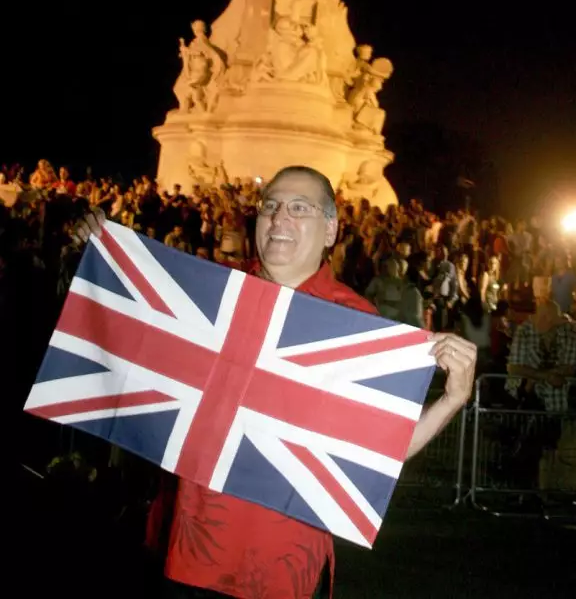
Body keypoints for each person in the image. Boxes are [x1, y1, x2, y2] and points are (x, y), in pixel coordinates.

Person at [73, 165, 477, 599]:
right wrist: (104, 253)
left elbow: (377, 452)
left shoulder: (358, 325)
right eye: (271, 206)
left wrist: (451, 401)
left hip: (285, 565)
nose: (279, 217)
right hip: (190, 552)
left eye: (299, 208)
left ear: (330, 231)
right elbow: (131, 347)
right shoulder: (210, 292)